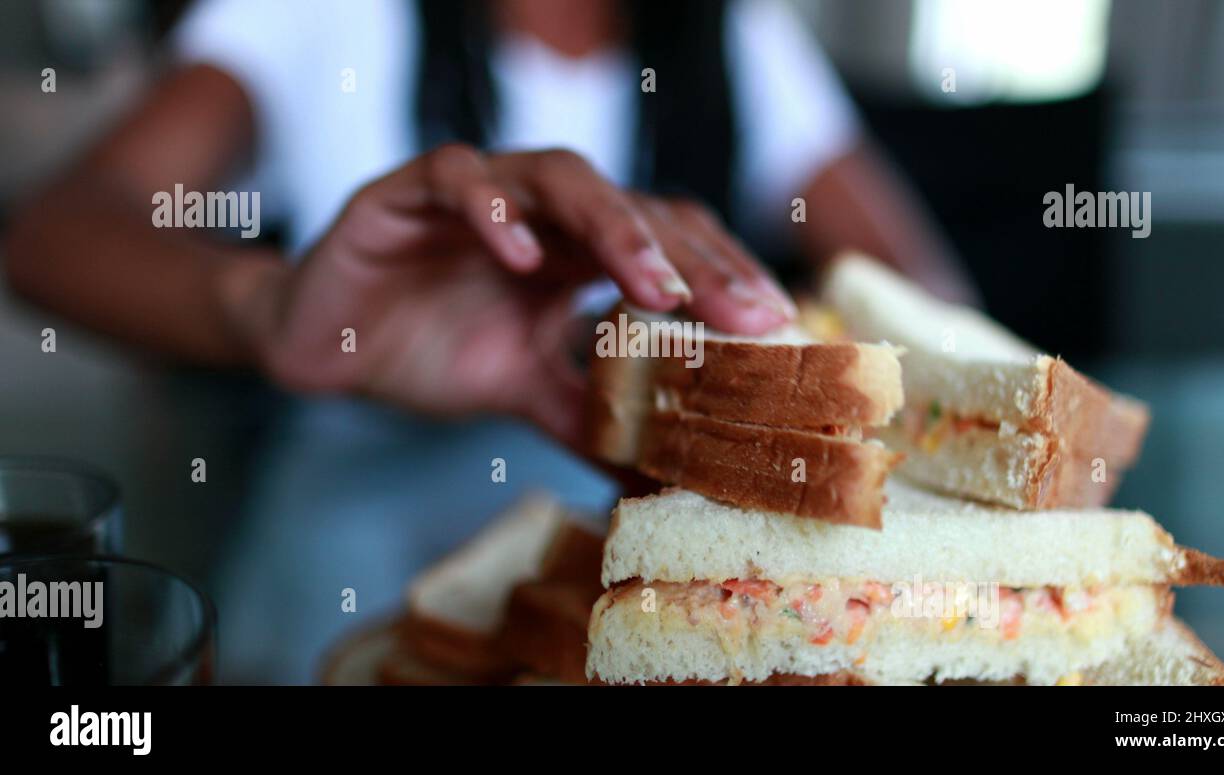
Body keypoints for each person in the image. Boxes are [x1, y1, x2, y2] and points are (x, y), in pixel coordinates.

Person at [3, 0, 974, 682]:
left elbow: (920, 287)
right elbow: (51, 235)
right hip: (331, 555)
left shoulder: (736, 30)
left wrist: (788, 355)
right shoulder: (317, 13)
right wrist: (268, 309)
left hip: (665, 567)